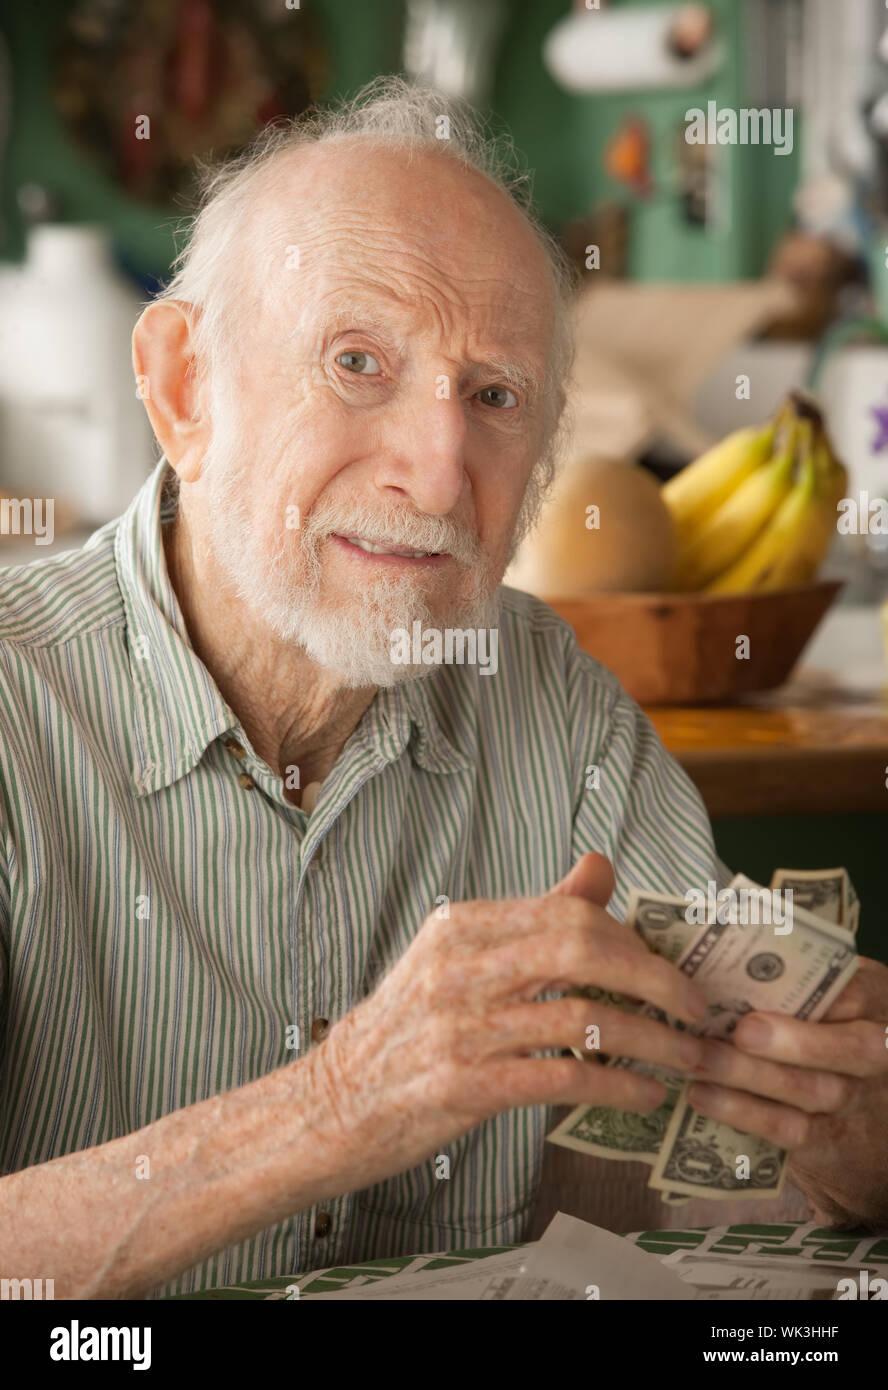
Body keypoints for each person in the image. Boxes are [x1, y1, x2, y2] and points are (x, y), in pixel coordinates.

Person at [1, 78, 886, 1300]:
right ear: (185, 390)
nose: (437, 468)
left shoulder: (557, 706)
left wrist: (847, 1137)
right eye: (358, 361)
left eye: (496, 397)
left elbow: (694, 1184)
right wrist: (340, 1102)